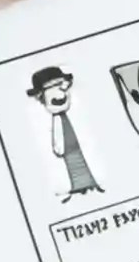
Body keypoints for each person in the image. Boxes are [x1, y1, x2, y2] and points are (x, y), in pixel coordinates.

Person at [27, 67, 104, 202]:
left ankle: (89, 184)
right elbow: (58, 147)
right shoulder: (53, 121)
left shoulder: (78, 115)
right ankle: (76, 187)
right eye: (52, 87)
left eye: (62, 85)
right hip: (68, 151)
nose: (60, 92)